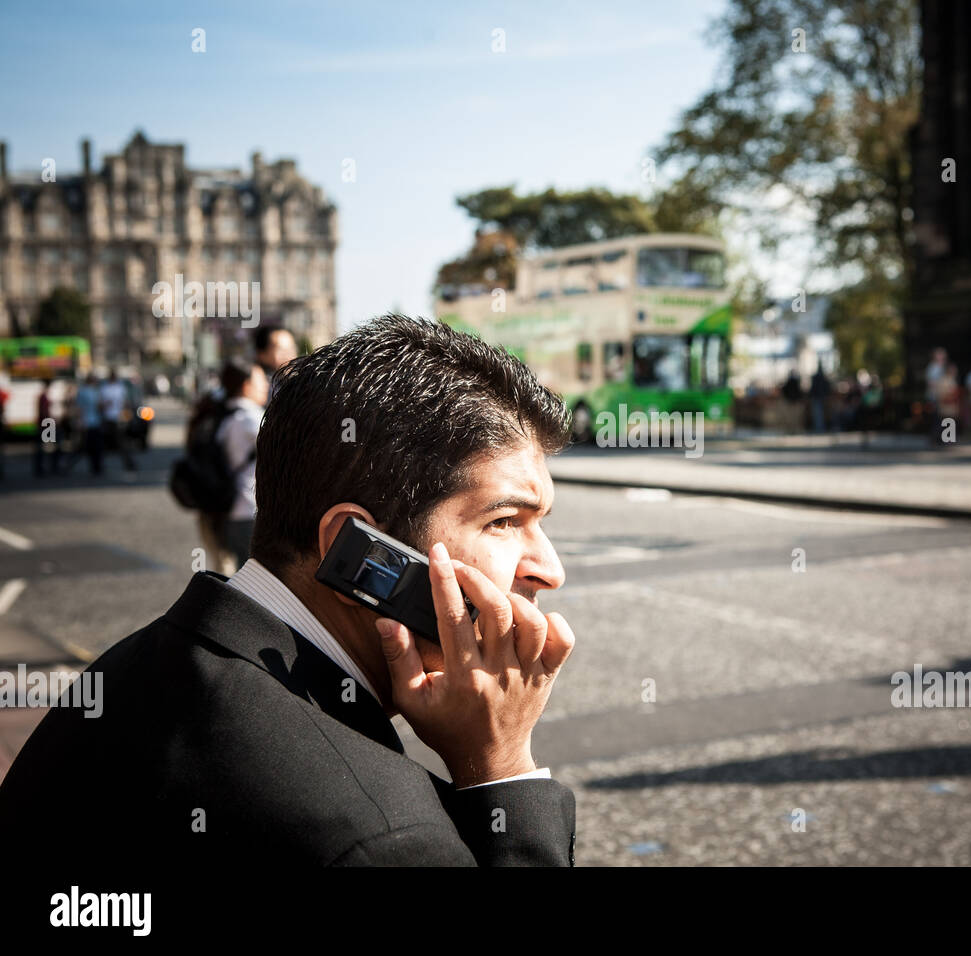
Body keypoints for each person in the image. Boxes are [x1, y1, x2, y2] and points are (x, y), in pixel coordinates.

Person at [0, 314, 578, 865]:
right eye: (504, 521)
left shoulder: (132, 665)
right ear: (358, 553)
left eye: (544, 521)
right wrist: (500, 765)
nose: (550, 568)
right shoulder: (378, 836)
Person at [213, 359, 267, 566]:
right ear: (246, 386)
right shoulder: (250, 418)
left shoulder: (228, 416)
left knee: (245, 575)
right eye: (261, 380)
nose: (266, 386)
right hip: (250, 510)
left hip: (234, 510)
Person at [98, 368, 136, 472]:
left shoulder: (120, 387)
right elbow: (100, 404)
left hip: (118, 418)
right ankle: (100, 466)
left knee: (122, 442)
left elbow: (126, 402)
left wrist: (126, 412)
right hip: (107, 418)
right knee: (105, 443)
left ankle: (129, 464)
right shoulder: (104, 388)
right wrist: (105, 405)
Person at [255, 324, 299, 401]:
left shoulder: (299, 383)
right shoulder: (259, 390)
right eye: (281, 350)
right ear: (262, 355)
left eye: (292, 348)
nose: (288, 355)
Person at [73, 372, 104, 475]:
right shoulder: (83, 391)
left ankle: (97, 467)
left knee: (96, 447)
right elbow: (79, 408)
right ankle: (68, 465)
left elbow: (99, 406)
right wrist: (80, 421)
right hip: (88, 422)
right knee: (87, 447)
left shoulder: (95, 391)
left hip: (95, 422)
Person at [32, 379, 63, 477]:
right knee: (52, 446)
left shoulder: (42, 396)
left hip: (44, 424)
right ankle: (51, 467)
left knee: (45, 447)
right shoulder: (44, 397)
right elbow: (45, 413)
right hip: (46, 424)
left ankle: (44, 467)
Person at [809, 363, 831, 433]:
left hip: (818, 397)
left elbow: (813, 388)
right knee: (819, 414)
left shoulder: (816, 378)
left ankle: (819, 427)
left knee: (818, 414)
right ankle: (820, 427)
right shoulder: (822, 377)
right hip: (821, 397)